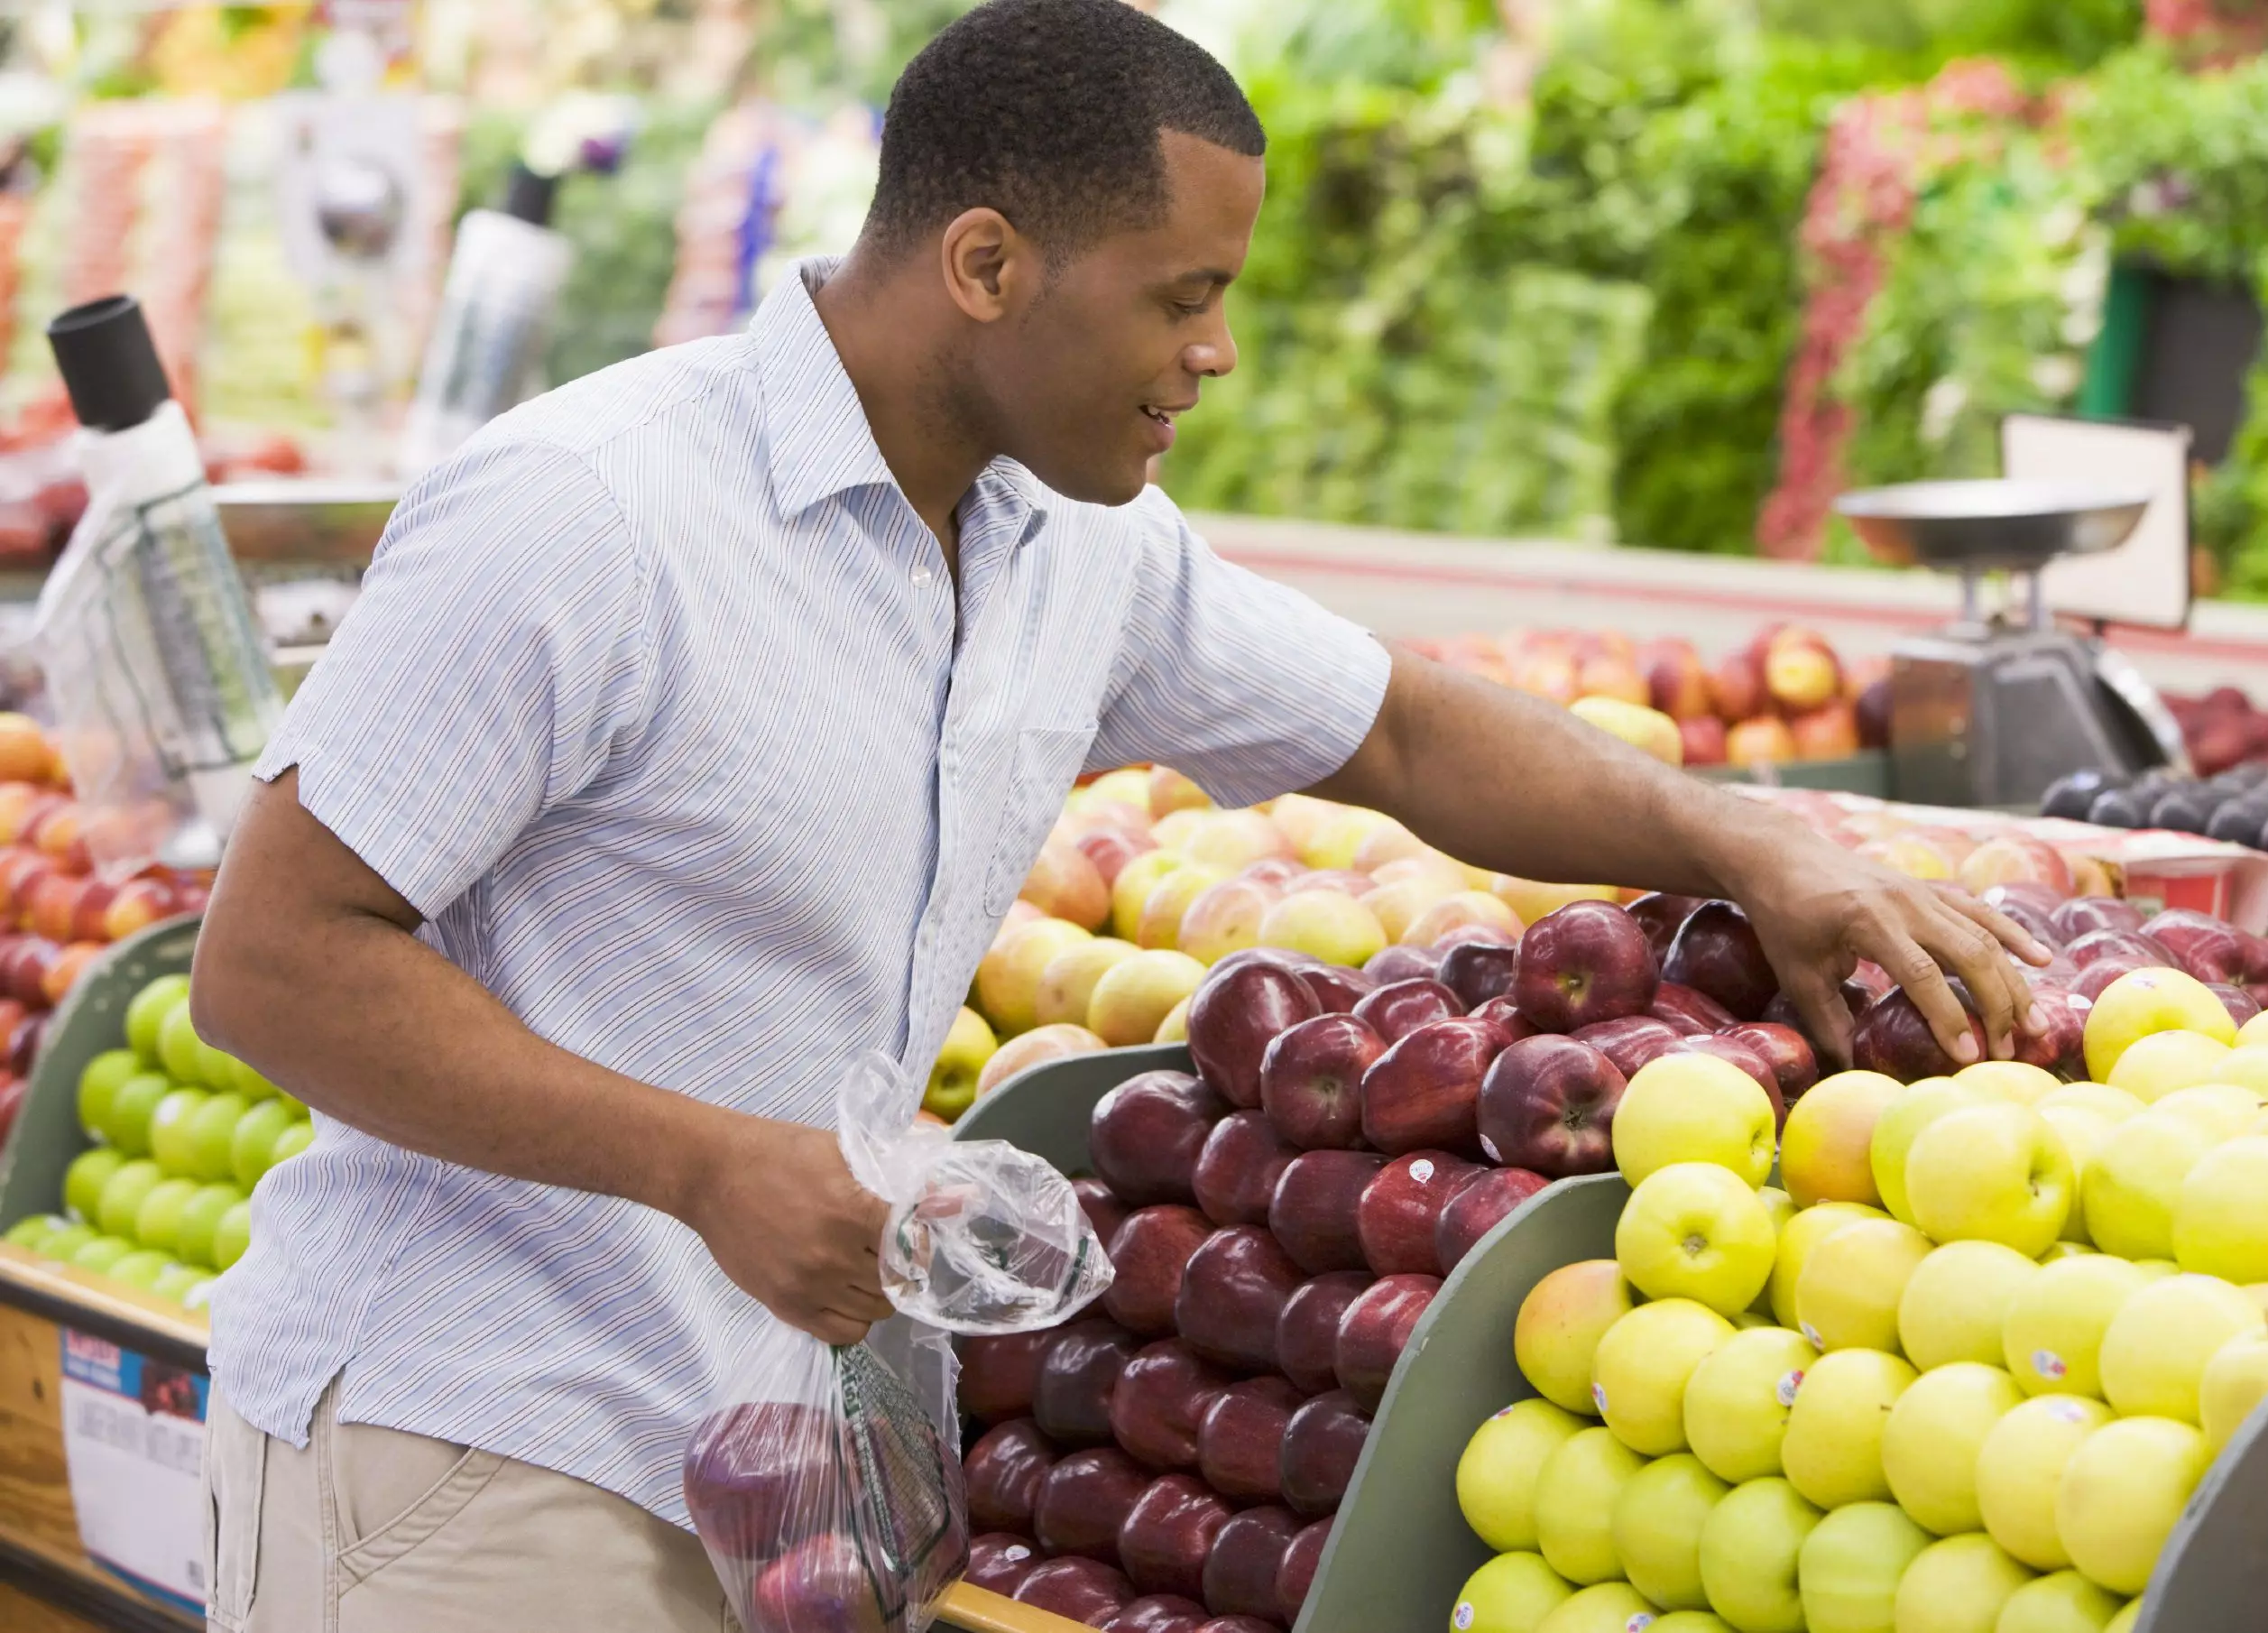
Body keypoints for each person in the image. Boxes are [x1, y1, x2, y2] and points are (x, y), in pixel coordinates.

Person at [189, 1, 2042, 1627]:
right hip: (467, 1455)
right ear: (987, 265)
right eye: (1184, 294)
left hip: (763, 1469)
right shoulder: (585, 513)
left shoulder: (1070, 541)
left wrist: (1739, 832)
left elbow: (1392, 732)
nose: (1215, 351)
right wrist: (702, 1162)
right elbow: (269, 963)